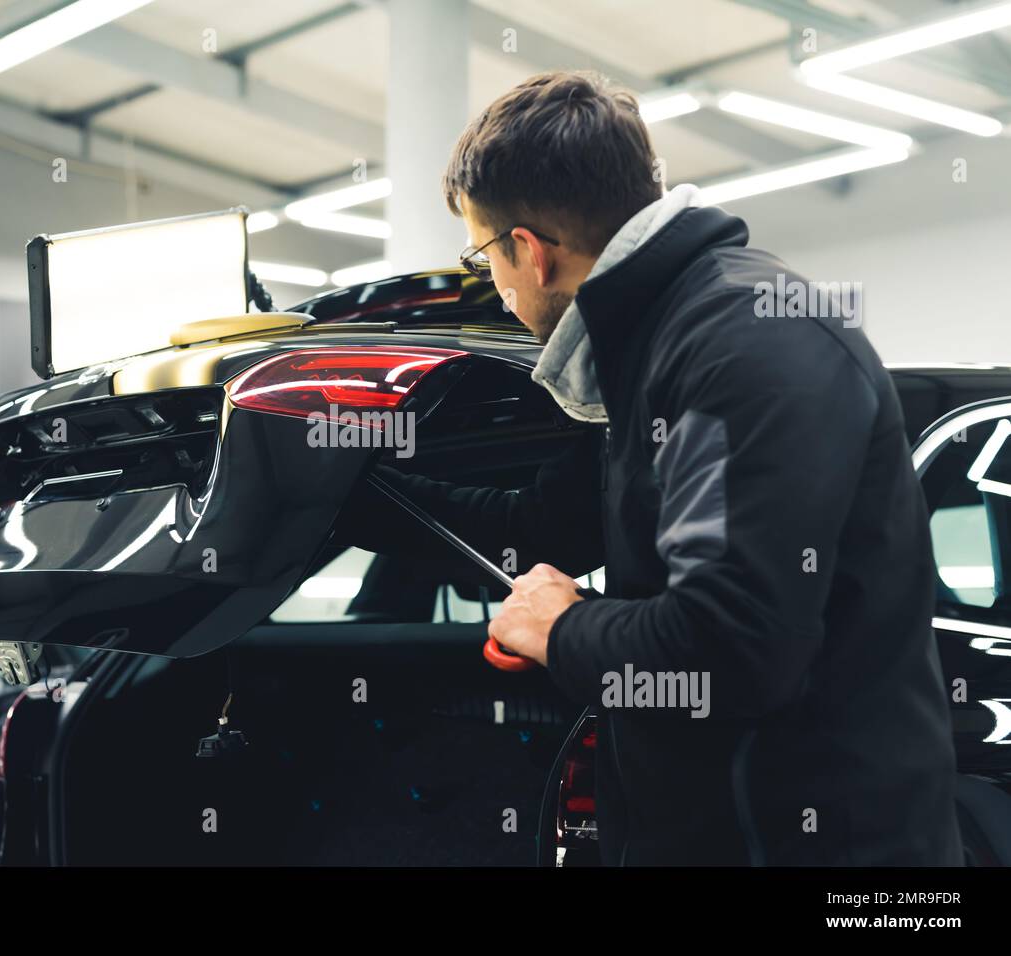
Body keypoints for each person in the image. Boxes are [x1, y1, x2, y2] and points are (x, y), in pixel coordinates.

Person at [338, 71, 962, 865]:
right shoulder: (658, 348)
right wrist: (333, 497)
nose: (492, 285)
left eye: (482, 254)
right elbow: (536, 528)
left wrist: (562, 629)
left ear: (527, 252)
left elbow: (730, 651)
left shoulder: (741, 345)